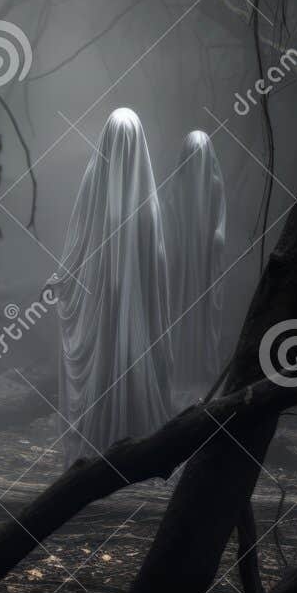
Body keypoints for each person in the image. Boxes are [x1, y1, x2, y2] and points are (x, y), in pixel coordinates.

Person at [52, 108, 173, 464]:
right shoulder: (100, 185)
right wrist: (67, 275)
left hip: (126, 305)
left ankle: (129, 437)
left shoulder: (144, 203)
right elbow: (79, 236)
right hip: (100, 299)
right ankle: (108, 441)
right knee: (108, 357)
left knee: (128, 358)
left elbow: (155, 263)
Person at [165, 130, 226, 408]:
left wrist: (217, 236)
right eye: (193, 155)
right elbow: (169, 220)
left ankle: (199, 375)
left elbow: (220, 219)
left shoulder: (214, 184)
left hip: (203, 267)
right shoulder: (177, 186)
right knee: (179, 312)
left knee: (200, 315)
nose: (197, 160)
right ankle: (177, 372)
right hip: (181, 264)